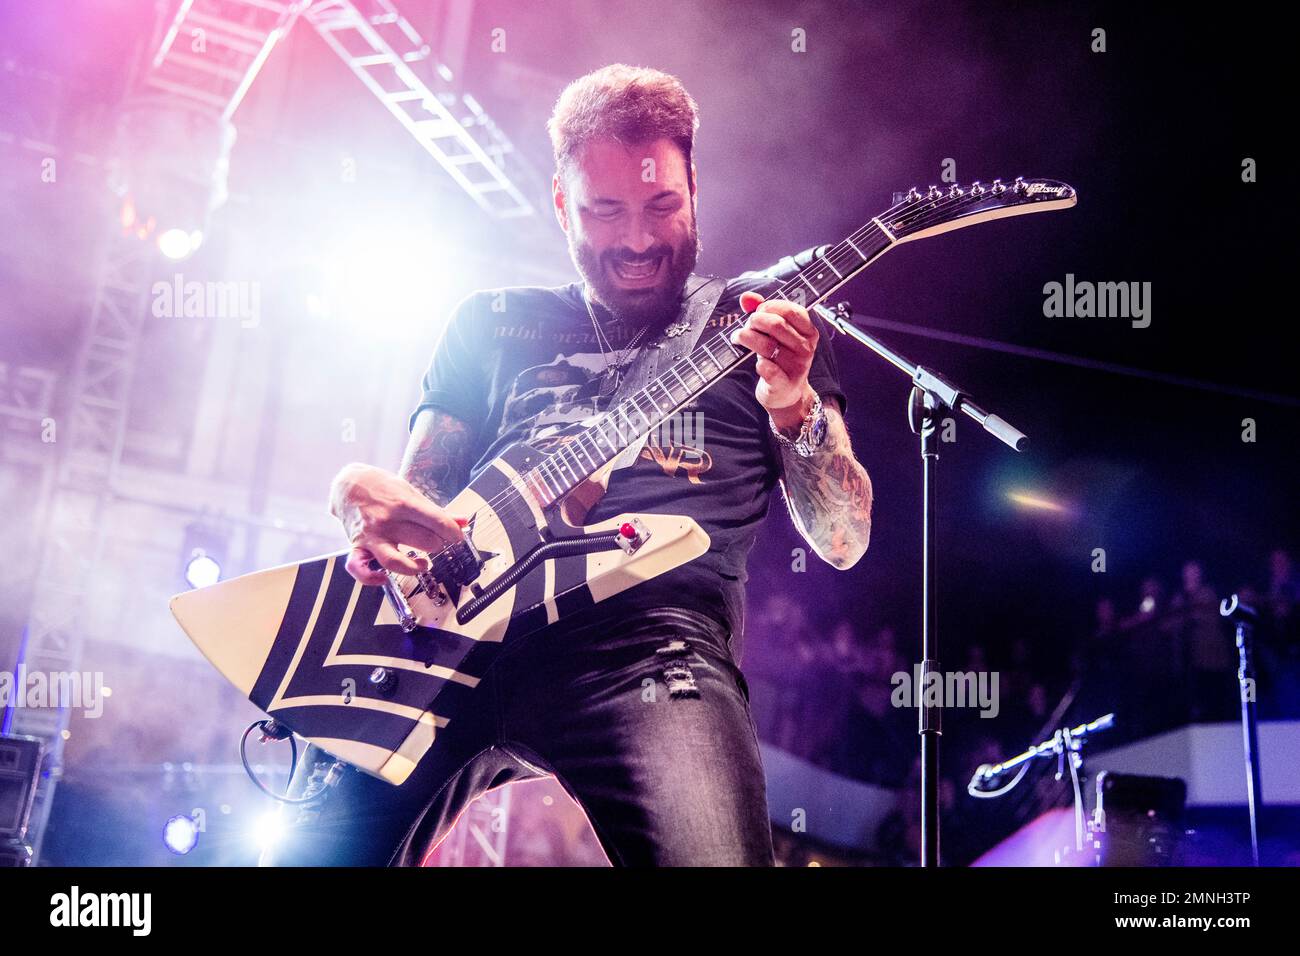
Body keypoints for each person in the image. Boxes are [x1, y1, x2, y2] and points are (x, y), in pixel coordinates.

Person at [261, 64, 874, 867]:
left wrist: (794, 404)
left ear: (695, 190)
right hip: (453, 640)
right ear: (561, 203)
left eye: (663, 206)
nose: (639, 240)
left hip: (650, 648)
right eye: (605, 210)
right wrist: (363, 500)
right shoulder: (494, 323)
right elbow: (421, 504)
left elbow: (842, 537)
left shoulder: (758, 321)